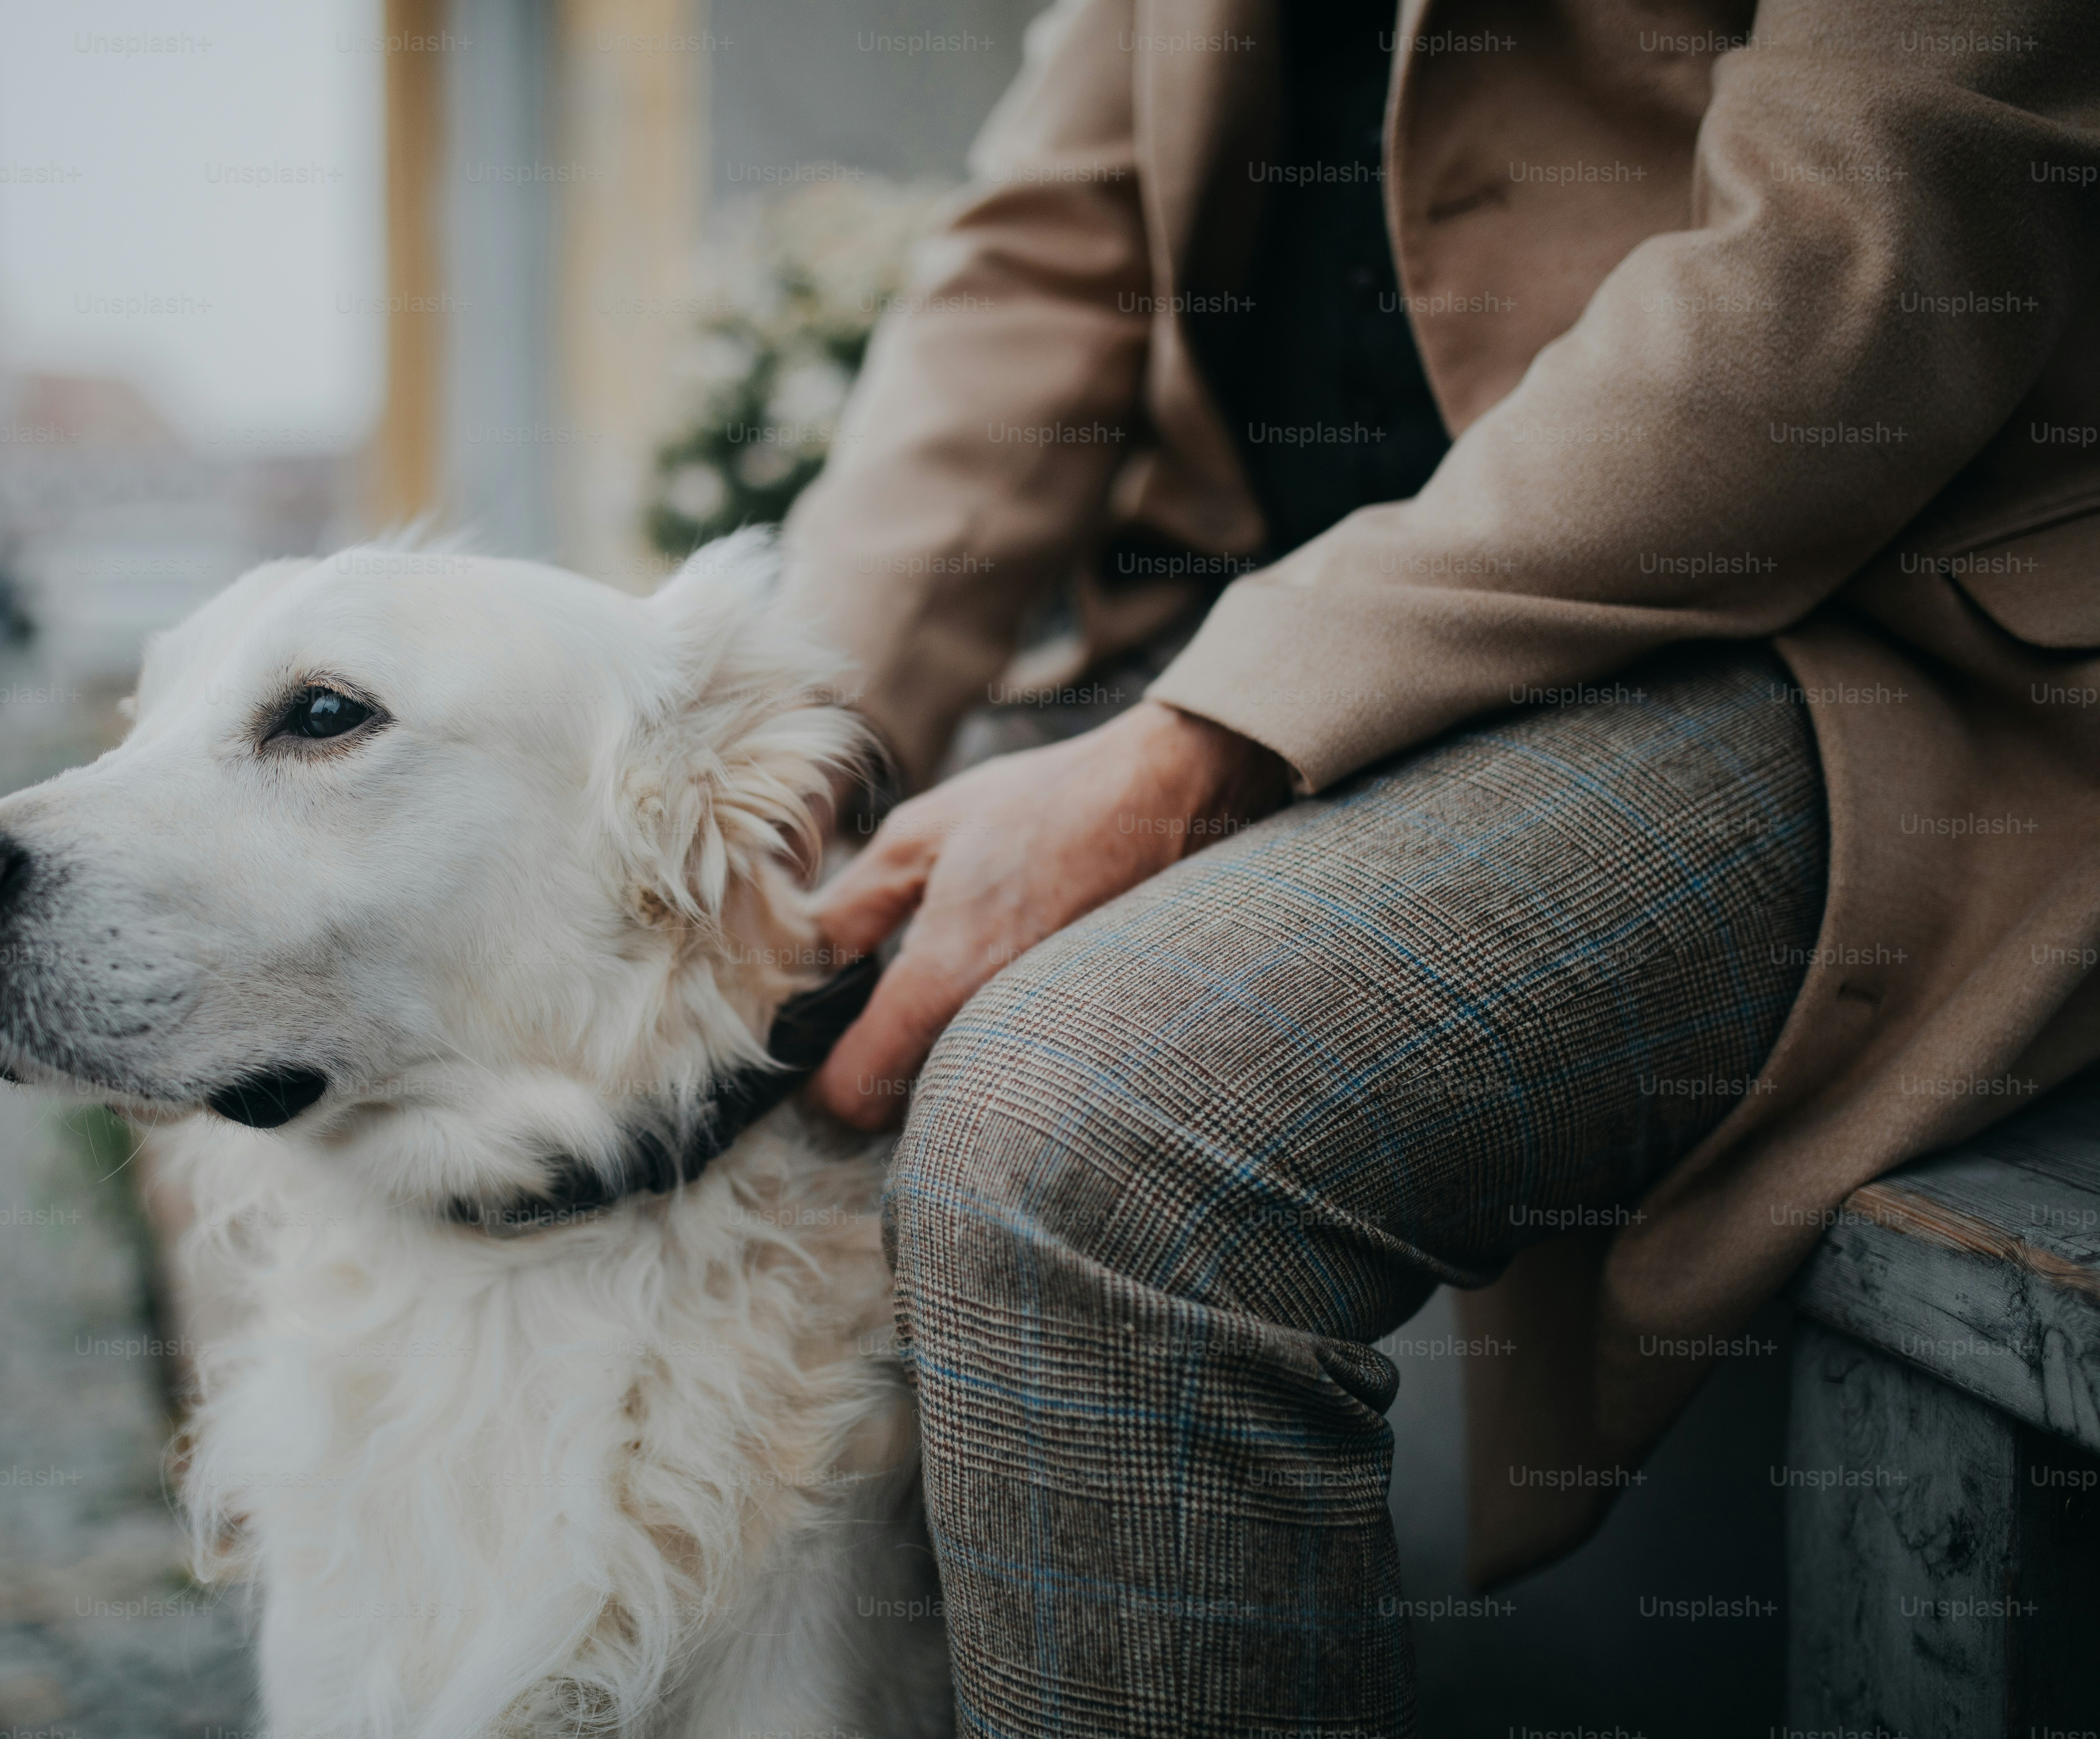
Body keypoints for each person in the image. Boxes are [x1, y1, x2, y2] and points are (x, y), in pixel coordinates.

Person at [781, 0, 2100, 1731]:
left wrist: (1196, 747)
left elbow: (1849, 285)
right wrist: (778, 766)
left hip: (1852, 634)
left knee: (1087, 1138)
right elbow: (1043, 259)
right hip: (1270, 604)